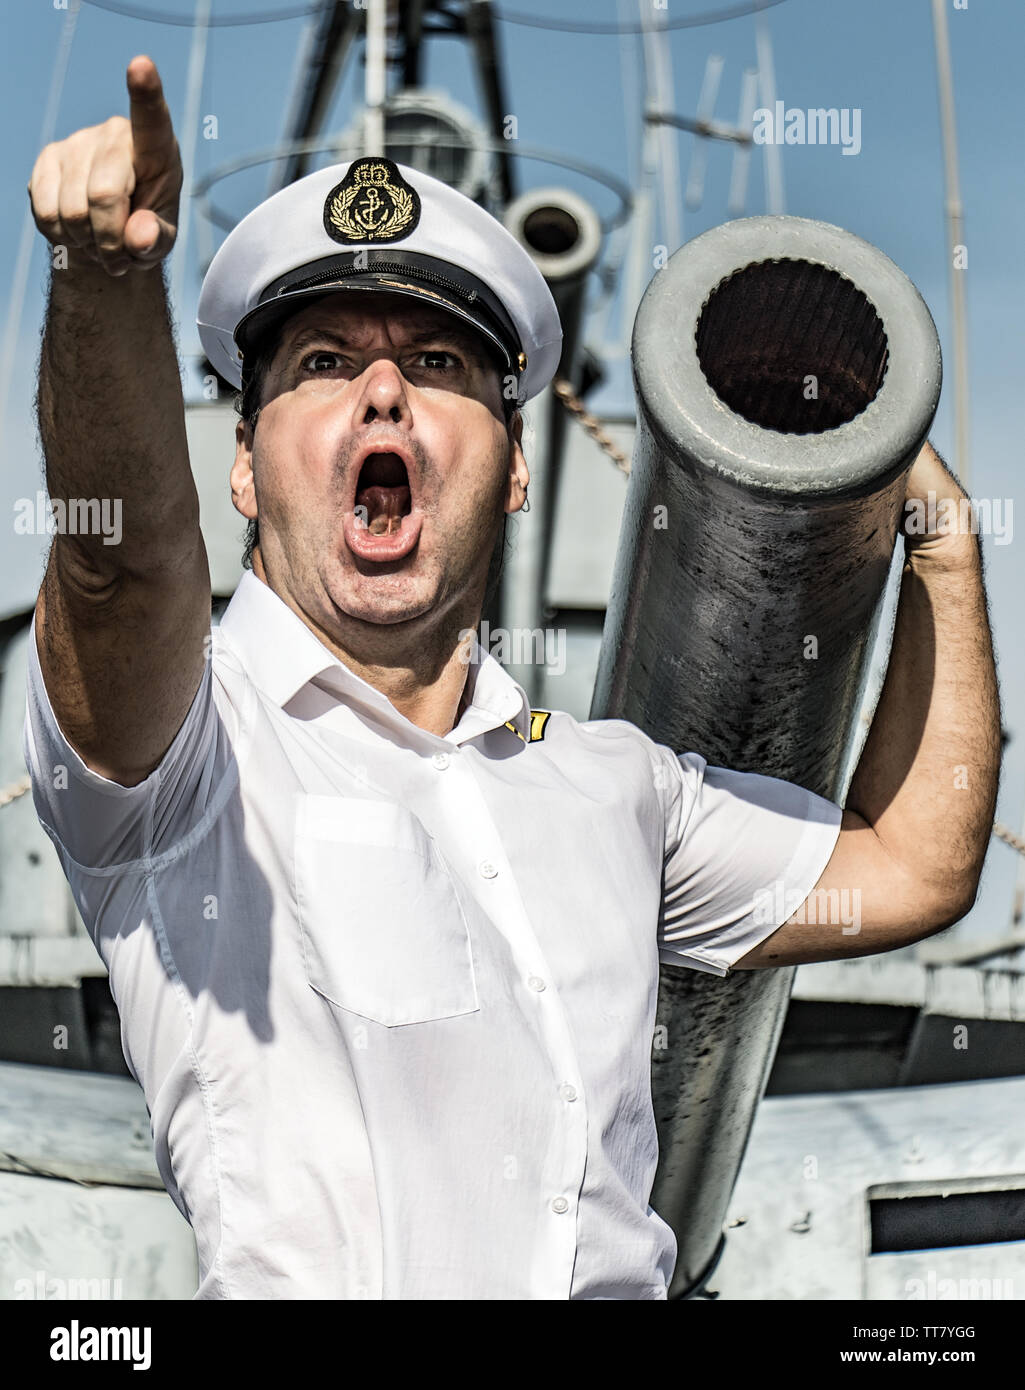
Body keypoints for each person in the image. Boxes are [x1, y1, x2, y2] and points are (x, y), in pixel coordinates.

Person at [23, 55, 1001, 1301]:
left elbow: (911, 865)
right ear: (243, 470)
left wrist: (944, 548)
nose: (382, 387)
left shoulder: (614, 787)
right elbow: (119, 572)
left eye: (436, 367)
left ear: (517, 466)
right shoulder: (191, 760)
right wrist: (105, 282)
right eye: (321, 363)